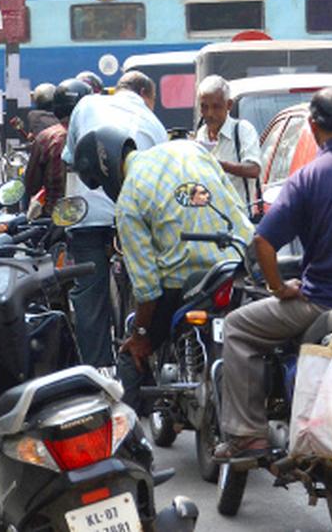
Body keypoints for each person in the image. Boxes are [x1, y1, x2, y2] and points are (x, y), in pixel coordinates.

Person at [215, 89, 332, 461]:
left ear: (313, 126)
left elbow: (263, 242)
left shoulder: (307, 179)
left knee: (237, 328)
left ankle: (248, 436)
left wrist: (278, 287)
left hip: (323, 304)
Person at [72, 127, 253, 394]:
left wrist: (140, 337)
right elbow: (237, 207)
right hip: (236, 269)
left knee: (131, 353)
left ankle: (129, 432)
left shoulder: (129, 199)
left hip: (182, 287)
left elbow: (147, 287)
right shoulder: (191, 148)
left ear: (103, 169)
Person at [62, 70, 168, 370]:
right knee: (144, 284)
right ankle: (139, 363)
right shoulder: (155, 124)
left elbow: (69, 159)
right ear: (147, 95)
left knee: (88, 295)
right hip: (134, 217)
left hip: (88, 215)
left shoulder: (87, 105)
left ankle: (96, 371)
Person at [194, 75, 262, 210]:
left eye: (216, 107)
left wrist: (217, 164)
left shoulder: (242, 130)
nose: (210, 113)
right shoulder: (201, 134)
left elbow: (254, 169)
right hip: (208, 219)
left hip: (239, 219)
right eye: (204, 107)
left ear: (229, 105)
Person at [25, 78, 85, 214]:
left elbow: (31, 186)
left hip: (55, 217)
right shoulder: (97, 135)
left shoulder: (45, 138)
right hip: (95, 217)